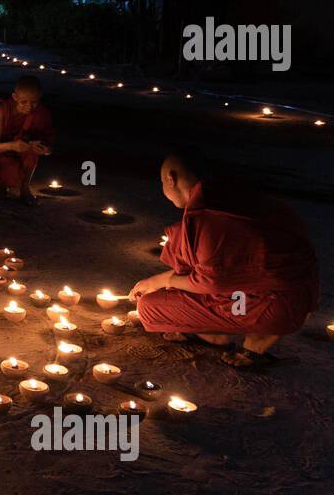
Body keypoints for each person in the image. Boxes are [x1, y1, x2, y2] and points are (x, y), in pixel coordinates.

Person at [129, 149, 320, 367]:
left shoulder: (208, 217)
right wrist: (160, 281)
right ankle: (222, 333)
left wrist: (158, 282)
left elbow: (209, 281)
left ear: (170, 179)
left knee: (149, 307)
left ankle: (243, 336)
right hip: (299, 300)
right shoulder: (236, 196)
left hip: (274, 306)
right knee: (177, 282)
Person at [0, 75, 54, 204]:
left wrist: (46, 150)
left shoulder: (42, 113)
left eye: (34, 102)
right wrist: (12, 146)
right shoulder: (2, 109)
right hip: (0, 150)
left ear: (40, 96)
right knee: (4, 167)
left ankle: (24, 189)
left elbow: (49, 143)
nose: (29, 107)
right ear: (15, 97)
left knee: (32, 152)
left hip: (21, 149)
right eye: (23, 102)